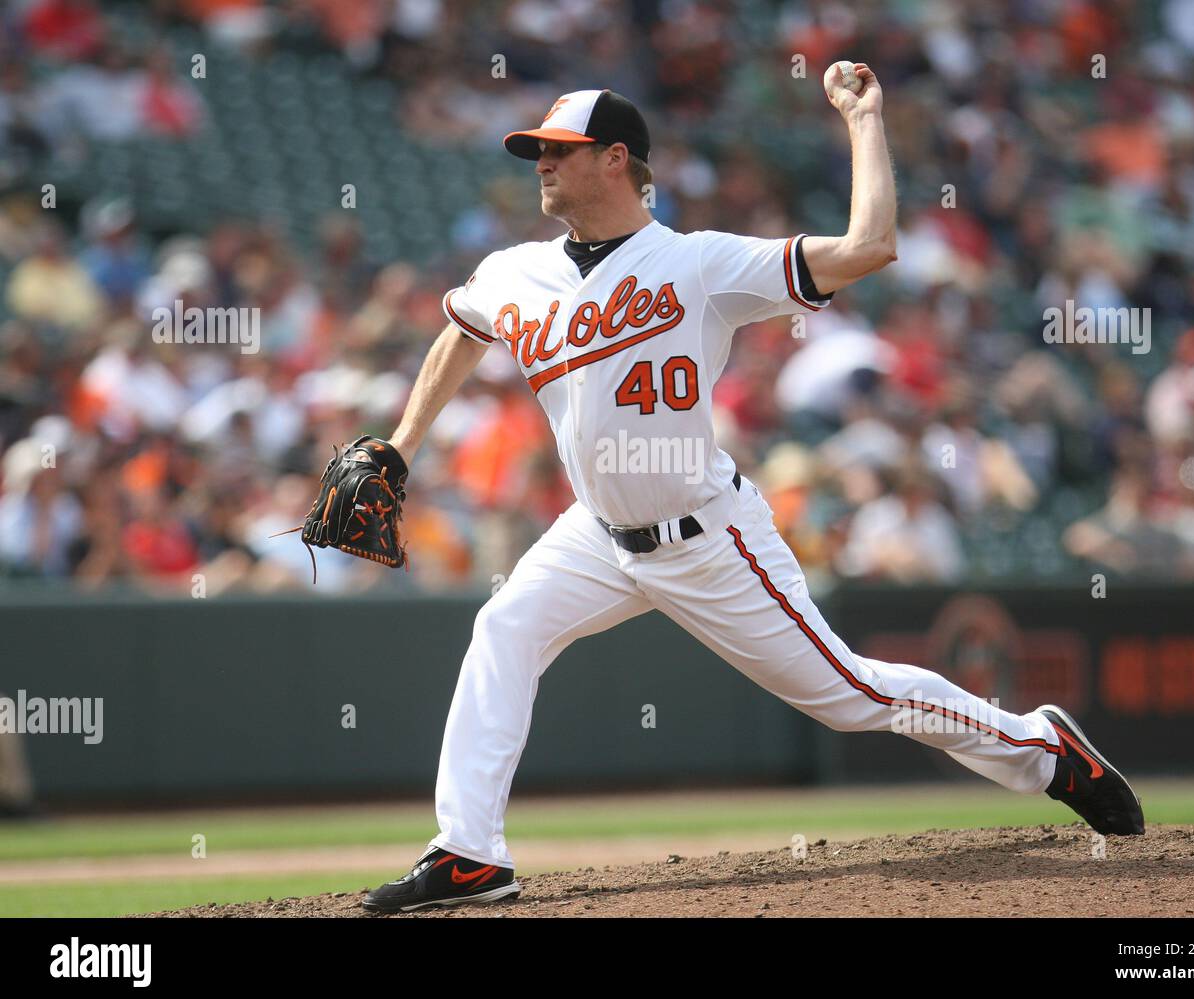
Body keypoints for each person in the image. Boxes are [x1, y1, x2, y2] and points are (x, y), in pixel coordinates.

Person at [359, 66, 1144, 913]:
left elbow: (869, 247)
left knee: (853, 696)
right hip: (595, 532)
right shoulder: (516, 271)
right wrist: (400, 446)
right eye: (537, 152)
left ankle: (1044, 746)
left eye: (559, 150)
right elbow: (461, 329)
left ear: (617, 159)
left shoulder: (698, 264)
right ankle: (469, 852)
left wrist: (865, 122)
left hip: (706, 539)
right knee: (504, 626)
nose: (540, 164)